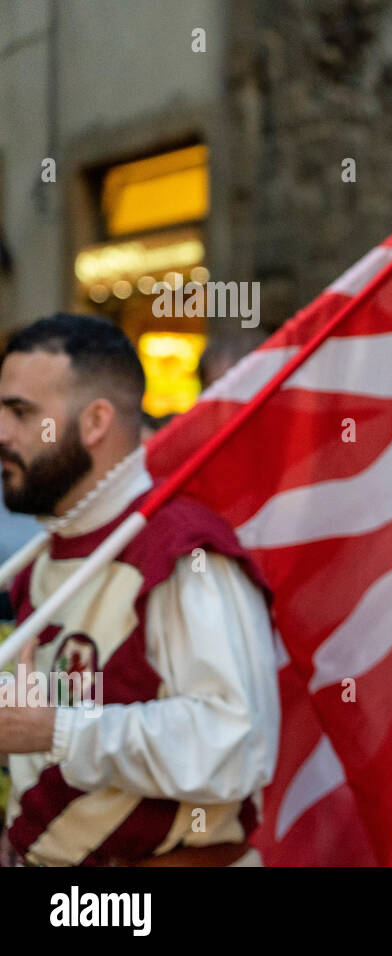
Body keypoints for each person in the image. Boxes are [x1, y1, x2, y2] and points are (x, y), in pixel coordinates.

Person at [0, 314, 279, 866]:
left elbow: (238, 743)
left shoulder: (182, 550)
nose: (3, 433)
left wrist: (60, 729)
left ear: (96, 421)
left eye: (22, 413)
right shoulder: (44, 559)